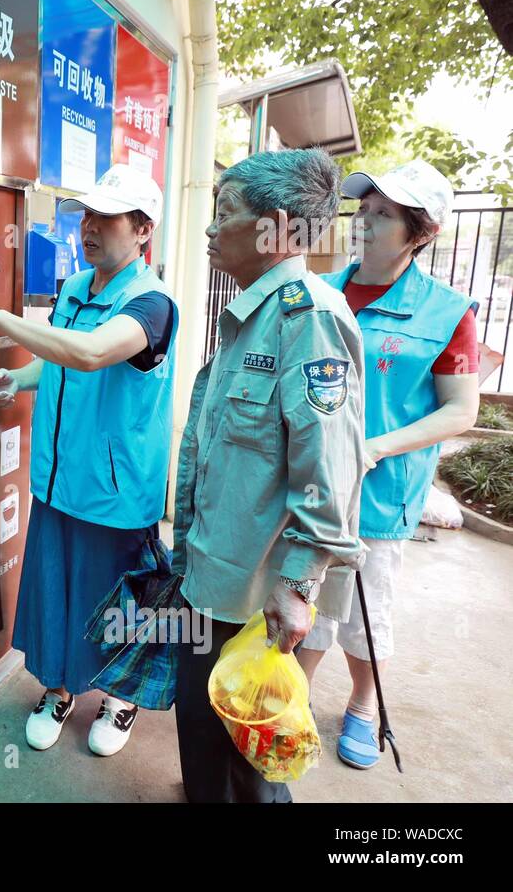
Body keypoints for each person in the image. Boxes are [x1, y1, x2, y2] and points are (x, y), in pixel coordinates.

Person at [0, 164, 178, 757]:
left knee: (116, 603)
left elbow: (92, 353)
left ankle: (119, 701)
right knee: (58, 595)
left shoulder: (152, 306)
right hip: (56, 481)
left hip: (115, 490)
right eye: (88, 216)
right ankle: (59, 690)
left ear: (143, 229)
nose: (90, 228)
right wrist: (20, 377)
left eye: (108, 218)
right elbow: (59, 361)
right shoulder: (76, 290)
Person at [172, 149, 366, 802]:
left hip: (254, 601)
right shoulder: (253, 314)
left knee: (249, 759)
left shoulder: (306, 319)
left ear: (275, 229)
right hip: (212, 576)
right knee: (205, 743)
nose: (210, 229)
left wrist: (299, 585)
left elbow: (328, 463)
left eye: (225, 213)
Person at [298, 160, 479, 769]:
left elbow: (458, 411)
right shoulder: (320, 292)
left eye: (383, 215)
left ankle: (363, 703)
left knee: (365, 611)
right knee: (305, 595)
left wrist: (377, 448)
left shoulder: (446, 312)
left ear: (419, 233)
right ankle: (290, 697)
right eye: (362, 210)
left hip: (379, 493)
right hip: (309, 484)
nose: (363, 223)